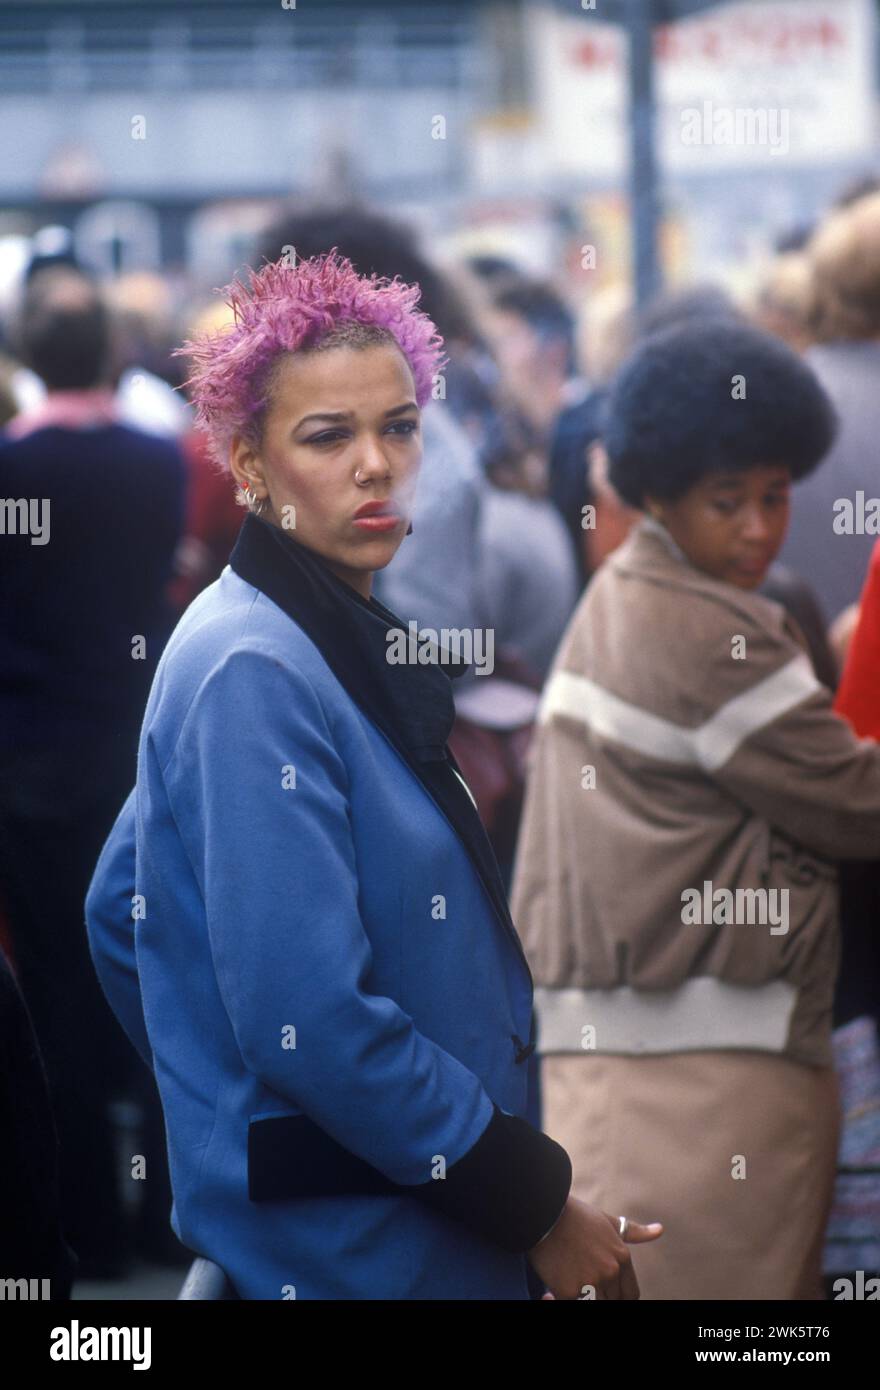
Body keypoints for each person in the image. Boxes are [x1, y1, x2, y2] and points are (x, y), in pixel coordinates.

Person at [85, 251, 662, 1301]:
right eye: (327, 435)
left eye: (398, 426)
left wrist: (240, 1107)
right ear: (248, 463)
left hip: (377, 1216)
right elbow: (310, 1014)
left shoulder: (313, 624)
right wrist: (522, 1198)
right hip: (363, 1245)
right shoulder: (253, 662)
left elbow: (121, 910)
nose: (376, 464)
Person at [511, 318, 880, 1300]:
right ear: (659, 493)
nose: (760, 527)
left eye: (773, 496)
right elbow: (857, 802)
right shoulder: (707, 631)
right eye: (729, 502)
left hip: (628, 1069)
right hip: (705, 1082)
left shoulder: (628, 592)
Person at [0, 267, 185, 1278]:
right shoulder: (157, 462)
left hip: (30, 765)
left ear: (28, 358)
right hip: (130, 748)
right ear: (113, 353)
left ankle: (87, 1223)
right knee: (152, 986)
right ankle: (164, 1208)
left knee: (57, 998)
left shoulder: (9, 470)